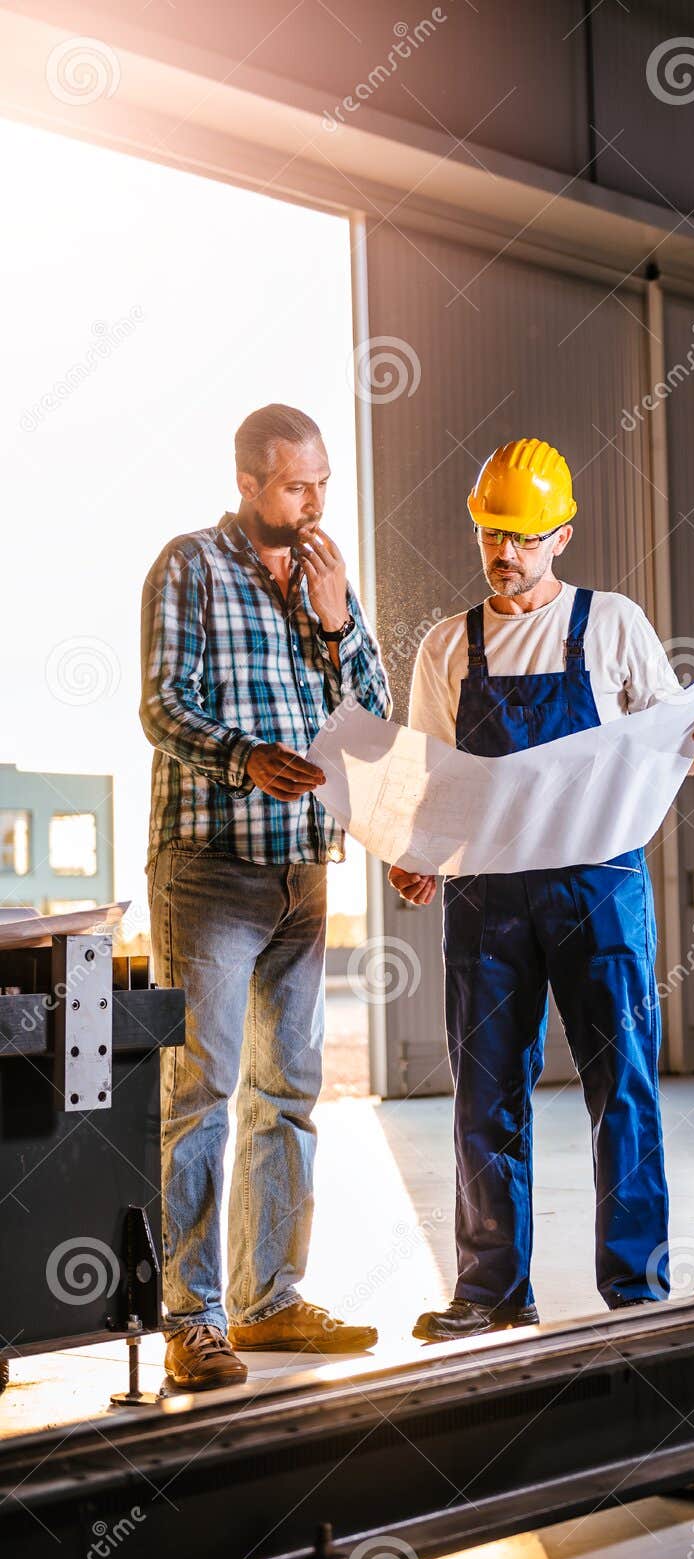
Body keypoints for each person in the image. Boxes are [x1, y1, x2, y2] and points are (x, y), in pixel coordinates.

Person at [389, 438, 694, 1340]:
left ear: (563, 536)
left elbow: (672, 745)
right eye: (489, 535)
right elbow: (431, 776)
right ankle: (491, 1289)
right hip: (486, 898)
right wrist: (416, 853)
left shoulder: (612, 623)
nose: (502, 554)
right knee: (484, 1088)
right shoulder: (446, 645)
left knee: (620, 1083)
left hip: (599, 886)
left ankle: (637, 1289)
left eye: (521, 537)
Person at [140, 402, 391, 1390]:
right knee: (200, 1093)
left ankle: (271, 1301)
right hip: (211, 865)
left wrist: (336, 622)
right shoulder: (191, 566)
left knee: (288, 1091)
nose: (314, 500)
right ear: (249, 484)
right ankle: (191, 1318)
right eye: (295, 484)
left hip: (303, 869)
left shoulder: (325, 579)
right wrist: (246, 760)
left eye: (322, 481)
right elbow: (163, 703)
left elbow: (367, 709)